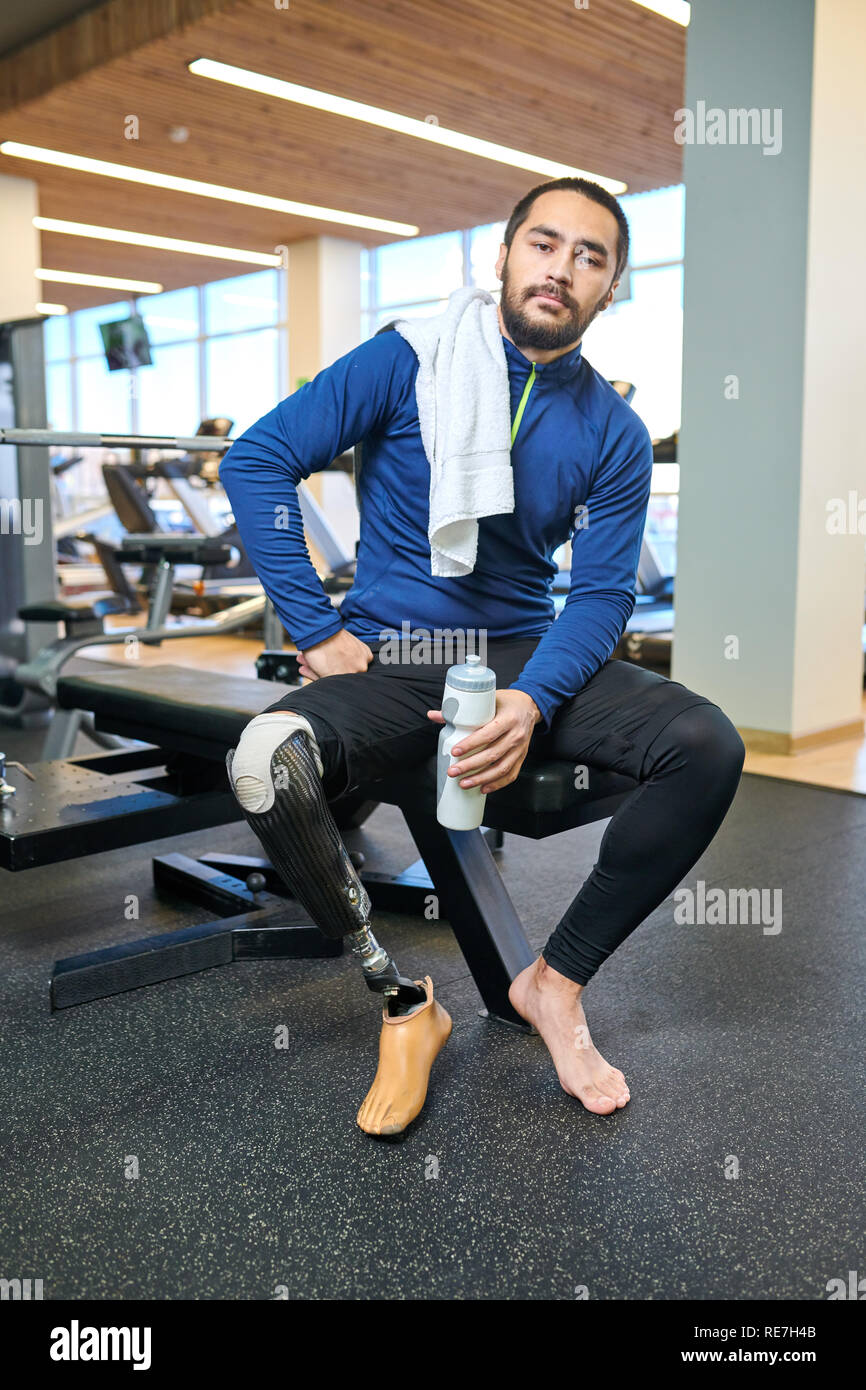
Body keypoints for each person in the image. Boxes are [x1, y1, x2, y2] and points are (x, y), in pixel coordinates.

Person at [220, 176, 745, 1124]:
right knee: (267, 762)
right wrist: (318, 628)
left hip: (518, 653)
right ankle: (402, 1003)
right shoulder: (404, 363)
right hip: (390, 656)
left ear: (611, 287)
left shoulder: (614, 433)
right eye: (545, 244)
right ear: (502, 257)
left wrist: (535, 698)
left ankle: (556, 982)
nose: (563, 269)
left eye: (591, 257)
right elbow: (256, 459)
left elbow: (598, 597)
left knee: (706, 745)